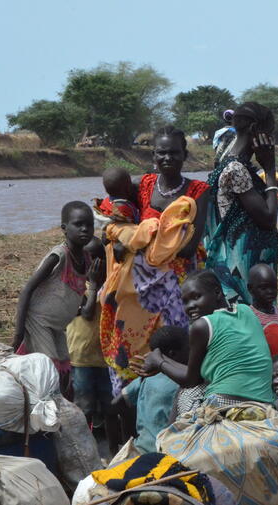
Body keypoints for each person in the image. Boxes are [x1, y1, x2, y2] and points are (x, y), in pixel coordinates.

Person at [101, 126, 209, 387]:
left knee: (173, 343)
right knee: (130, 345)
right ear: (153, 156)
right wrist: (122, 238)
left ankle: (170, 397)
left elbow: (188, 245)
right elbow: (117, 218)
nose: (167, 158)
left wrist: (140, 240)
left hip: (177, 286)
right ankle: (129, 402)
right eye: (161, 153)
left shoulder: (199, 191)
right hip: (136, 287)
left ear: (185, 155)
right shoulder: (144, 185)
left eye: (174, 152)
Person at [140, 270, 275, 407]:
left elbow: (190, 380)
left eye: (196, 297)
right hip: (265, 402)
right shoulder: (246, 310)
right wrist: (161, 358)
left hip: (225, 401)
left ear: (217, 292)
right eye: (185, 302)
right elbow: (198, 374)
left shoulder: (202, 326)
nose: (190, 305)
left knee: (187, 394)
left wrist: (158, 361)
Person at [204, 102, 278, 305]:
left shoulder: (235, 165)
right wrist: (271, 170)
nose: (272, 140)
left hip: (247, 268)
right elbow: (268, 219)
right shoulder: (235, 169)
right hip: (241, 271)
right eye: (269, 133)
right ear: (256, 130)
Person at [13, 201, 95, 390]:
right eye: (78, 224)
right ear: (64, 229)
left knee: (65, 371)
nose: (85, 229)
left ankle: (59, 410)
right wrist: (18, 332)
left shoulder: (86, 258)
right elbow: (27, 290)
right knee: (48, 371)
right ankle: (43, 411)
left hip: (57, 327)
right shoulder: (58, 256)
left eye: (89, 225)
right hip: (39, 321)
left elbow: (75, 290)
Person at [65, 238, 117, 446]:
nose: (94, 264)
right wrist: (94, 284)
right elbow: (86, 313)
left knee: (110, 406)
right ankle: (83, 448)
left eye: (98, 258)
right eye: (88, 259)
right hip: (81, 357)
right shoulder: (75, 286)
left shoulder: (112, 284)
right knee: (84, 406)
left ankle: (114, 447)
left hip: (106, 358)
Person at [114, 325, 184, 454]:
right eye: (189, 348)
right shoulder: (185, 382)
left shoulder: (146, 378)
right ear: (173, 354)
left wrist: (131, 437)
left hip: (140, 448)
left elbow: (117, 403)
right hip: (167, 454)